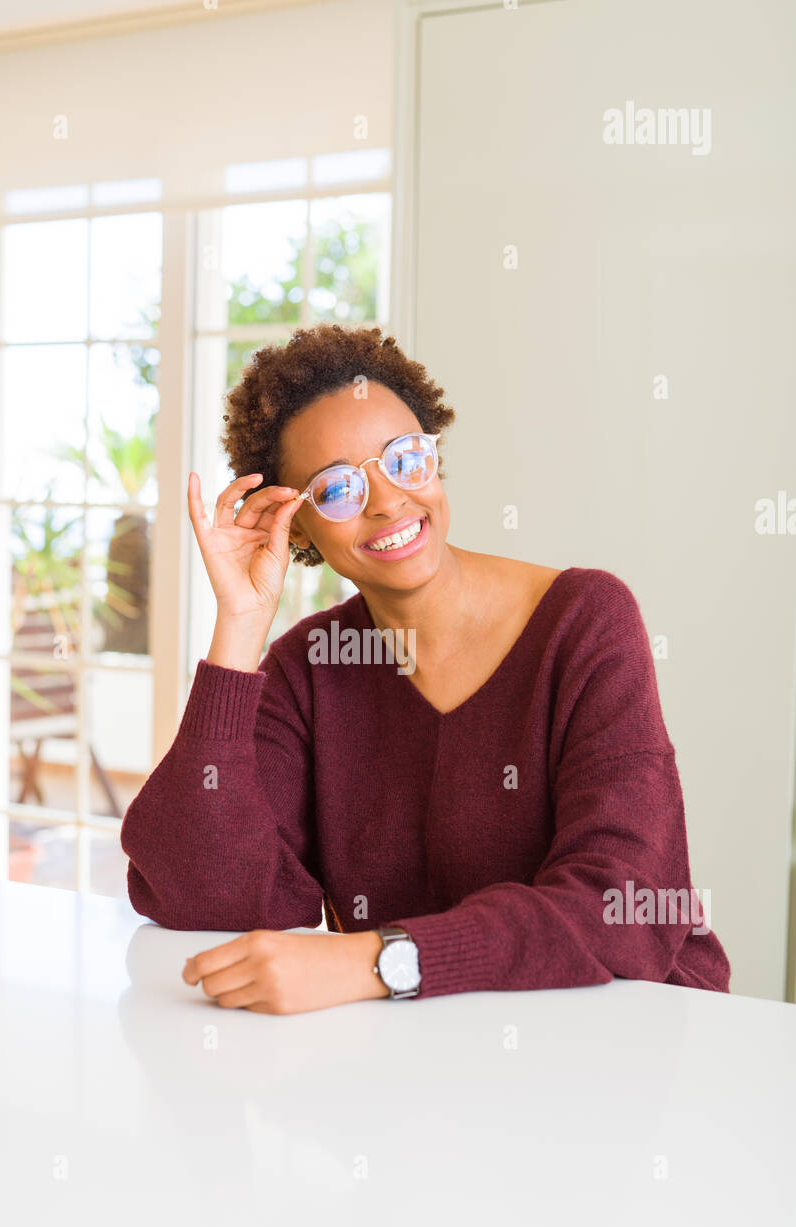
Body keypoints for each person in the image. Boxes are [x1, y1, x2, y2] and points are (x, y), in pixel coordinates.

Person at [120, 323, 730, 1013]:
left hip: (634, 1034)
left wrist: (377, 960)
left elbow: (624, 906)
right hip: (423, 1051)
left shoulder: (583, 619)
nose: (387, 501)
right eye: (338, 488)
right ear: (296, 526)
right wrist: (238, 625)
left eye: (404, 459)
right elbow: (204, 895)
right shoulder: (309, 667)